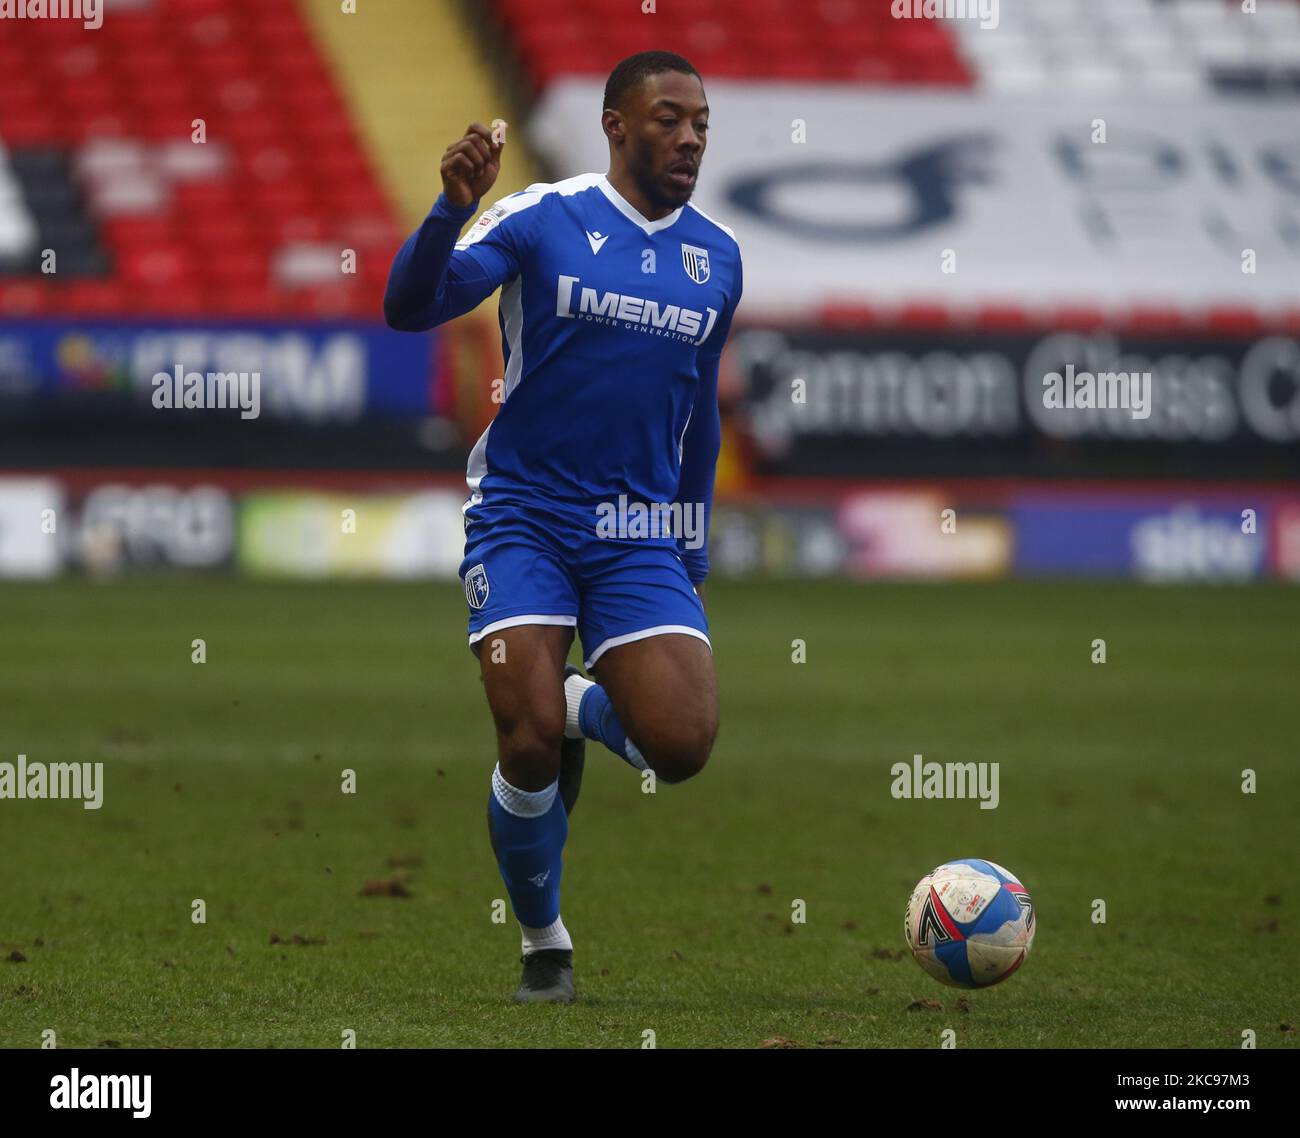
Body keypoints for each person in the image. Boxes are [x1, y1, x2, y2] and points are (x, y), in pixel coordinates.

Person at [384, 50, 742, 1003]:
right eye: (668, 118)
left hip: (638, 533)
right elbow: (410, 306)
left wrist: (692, 538)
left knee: (683, 748)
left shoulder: (719, 258)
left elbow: (699, 410)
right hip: (524, 516)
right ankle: (544, 940)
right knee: (529, 737)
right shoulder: (546, 216)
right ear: (615, 126)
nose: (691, 137)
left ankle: (587, 704)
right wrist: (450, 209)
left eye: (701, 121)